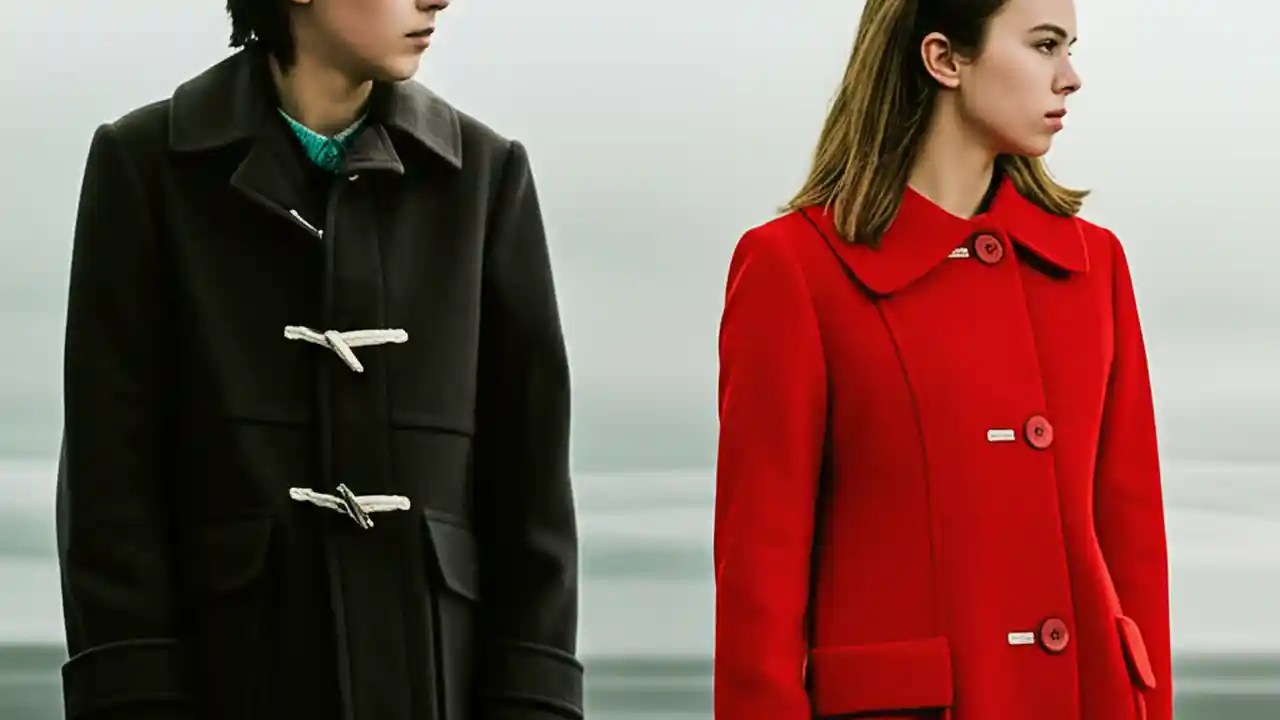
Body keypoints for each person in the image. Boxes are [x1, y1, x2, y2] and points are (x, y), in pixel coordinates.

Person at [54, 2, 583, 719]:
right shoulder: (146, 165)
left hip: (434, 684)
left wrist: (535, 701)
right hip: (226, 679)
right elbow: (107, 481)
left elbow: (532, 491)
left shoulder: (485, 178)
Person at [714, 0, 1170, 718]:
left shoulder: (1095, 267)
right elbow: (757, 585)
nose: (1071, 76)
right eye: (1045, 45)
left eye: (1070, 47)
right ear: (944, 59)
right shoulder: (794, 269)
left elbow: (1134, 547)